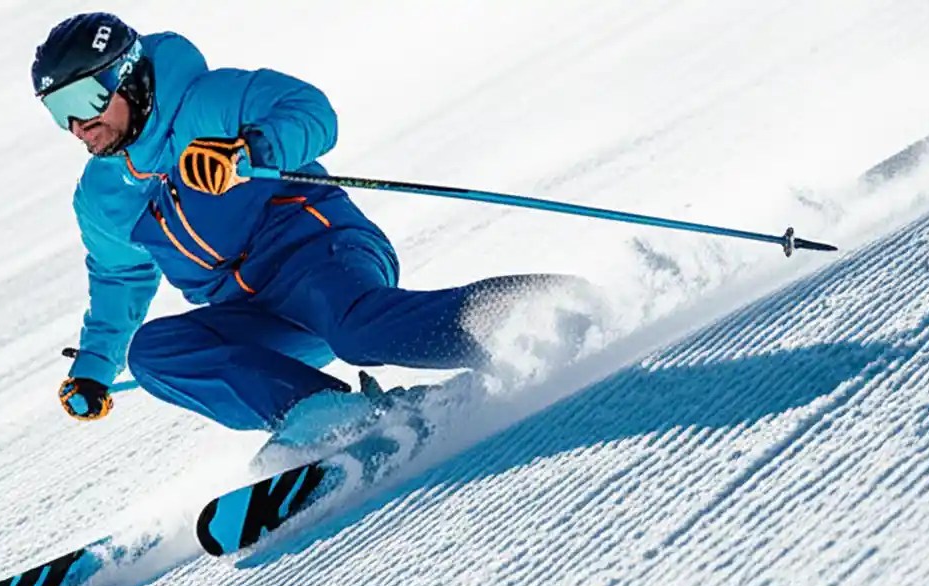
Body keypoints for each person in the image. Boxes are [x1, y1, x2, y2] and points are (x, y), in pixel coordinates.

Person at [34, 12, 562, 444]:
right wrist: (94, 369)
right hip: (254, 313)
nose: (80, 126)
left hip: (319, 255)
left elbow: (311, 111)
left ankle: (529, 322)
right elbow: (119, 282)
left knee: (358, 331)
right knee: (154, 354)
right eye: (61, 111)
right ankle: (330, 420)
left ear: (128, 77)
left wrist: (251, 150)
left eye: (86, 101)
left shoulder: (205, 102)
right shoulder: (102, 198)